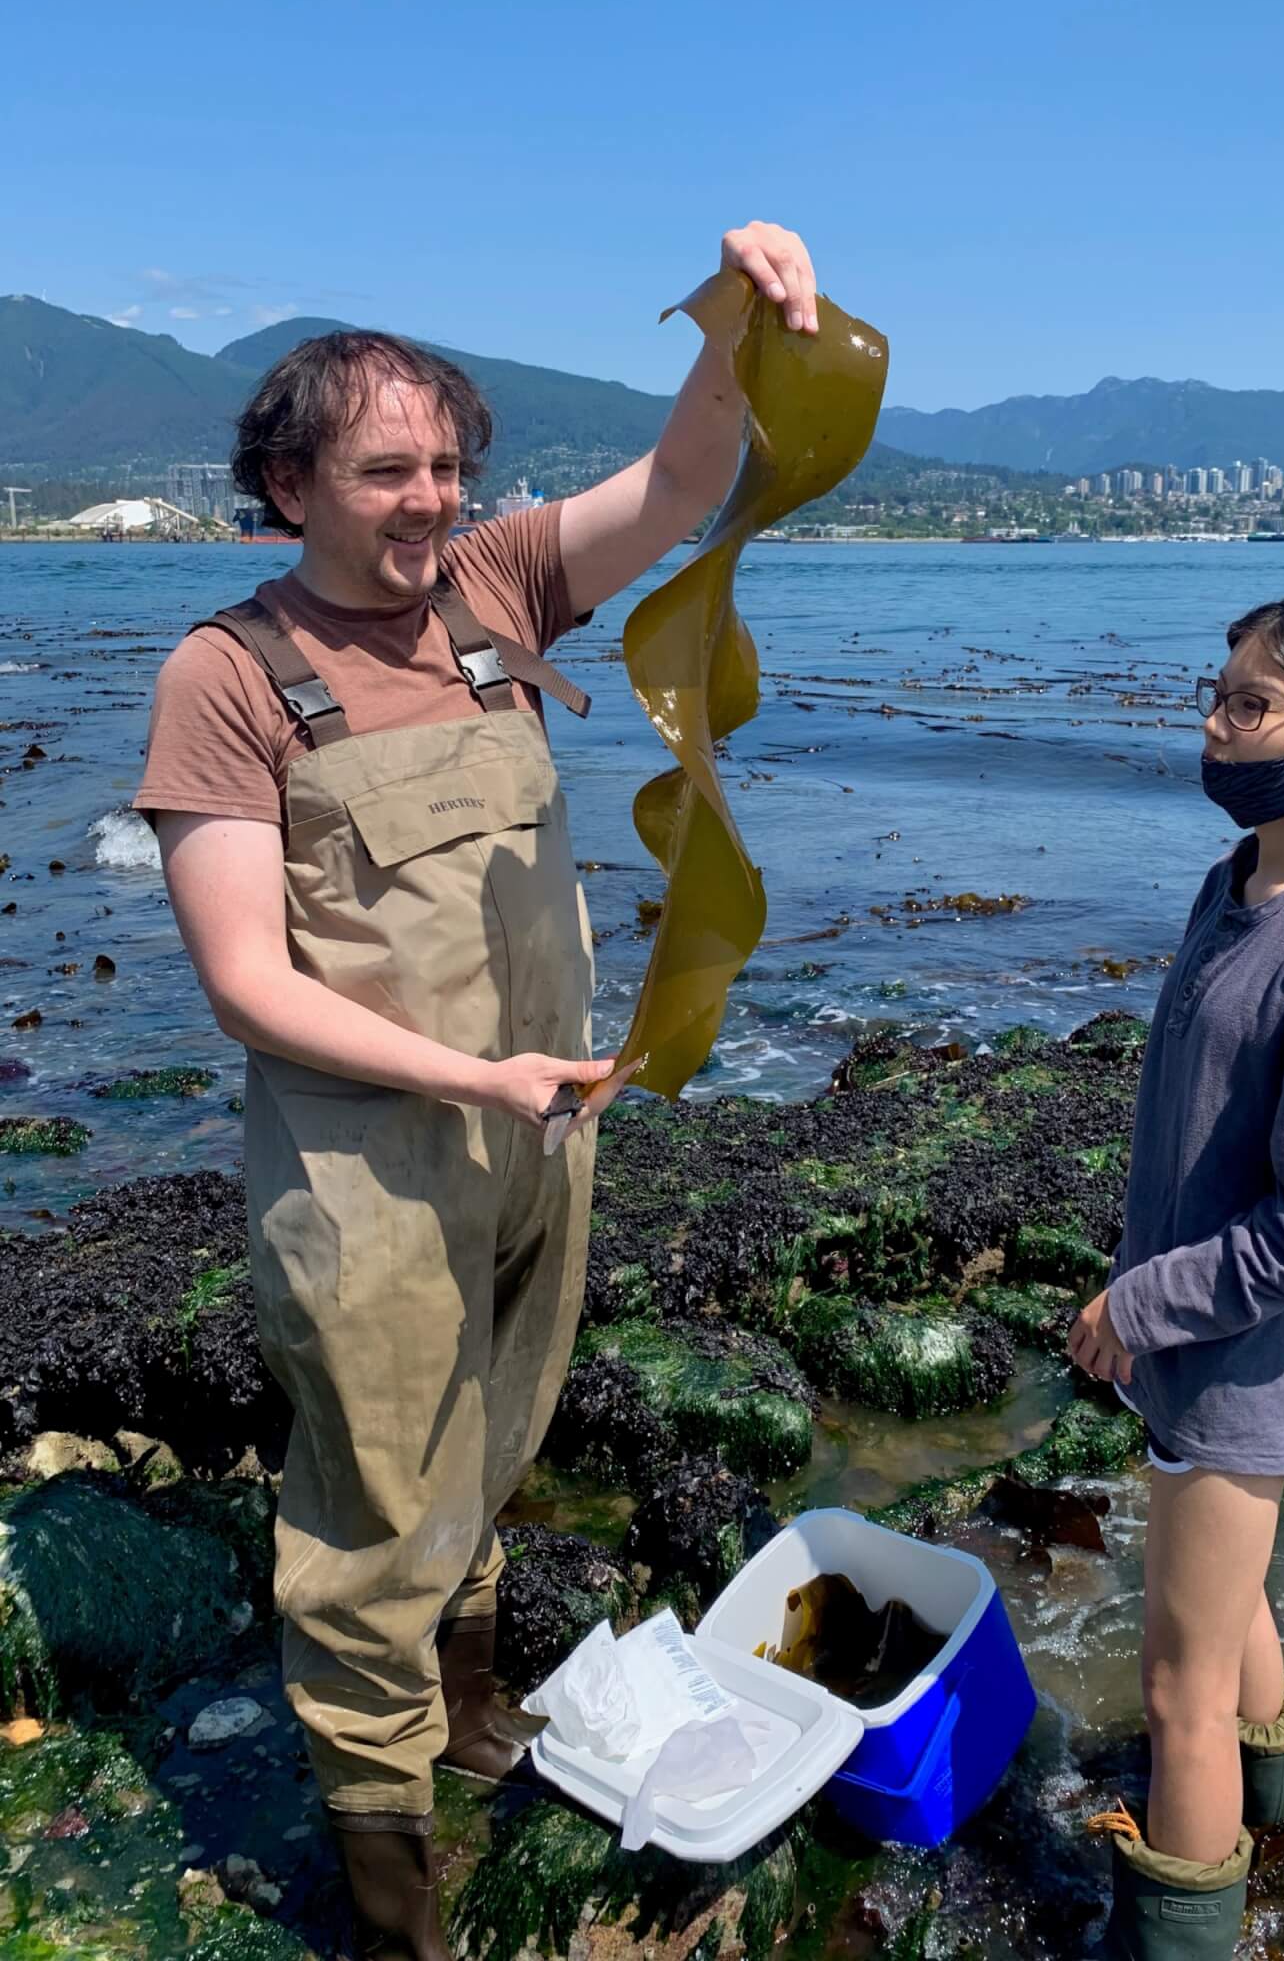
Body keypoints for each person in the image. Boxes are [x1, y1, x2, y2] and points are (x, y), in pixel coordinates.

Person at [134, 222, 822, 1961]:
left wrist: (740, 318)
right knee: (373, 1507)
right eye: (387, 468)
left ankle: (473, 1707)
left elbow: (681, 481)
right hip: (372, 1168)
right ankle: (393, 1889)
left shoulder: (497, 592)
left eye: (450, 462)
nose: (432, 497)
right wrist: (475, 1076)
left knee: (501, 1436)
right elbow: (245, 982)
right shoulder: (229, 678)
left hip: (541, 1134)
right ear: (288, 481)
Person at [1068, 588, 1284, 1960]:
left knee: (1178, 1695)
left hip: (1242, 1358)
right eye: (1217, 696)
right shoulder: (1243, 882)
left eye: (1248, 708)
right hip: (1198, 1341)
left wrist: (1136, 1307)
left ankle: (1190, 1926)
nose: (1216, 728)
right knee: (1232, 1611)